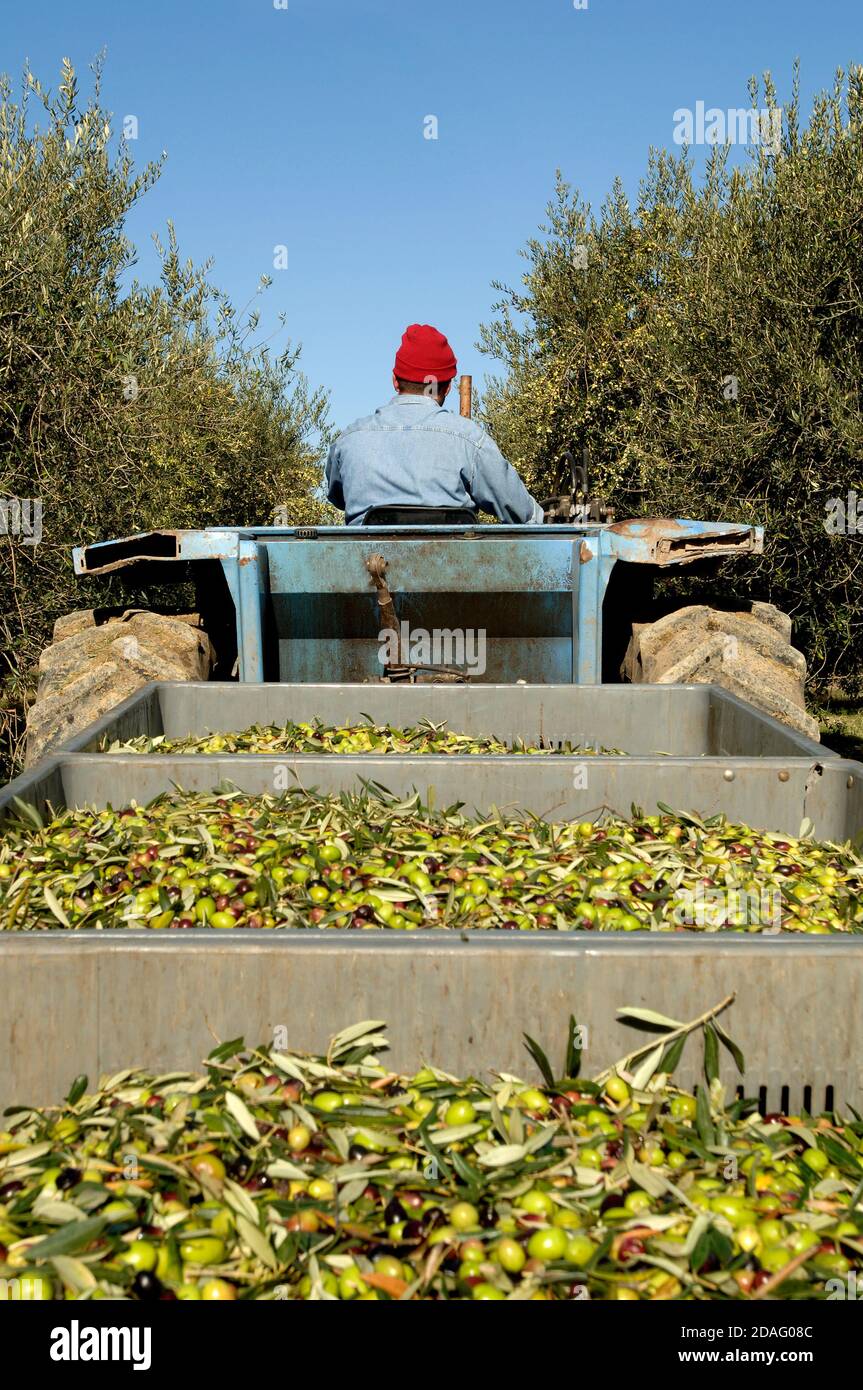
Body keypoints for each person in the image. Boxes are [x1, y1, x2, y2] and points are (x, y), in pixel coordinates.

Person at [325, 323, 544, 525]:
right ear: (448, 387)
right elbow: (522, 513)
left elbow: (338, 497)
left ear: (394, 379)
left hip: (370, 565)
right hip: (453, 566)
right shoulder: (469, 440)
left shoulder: (349, 440)